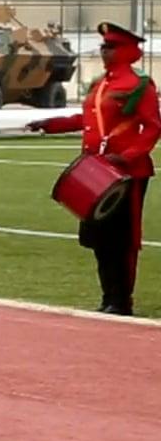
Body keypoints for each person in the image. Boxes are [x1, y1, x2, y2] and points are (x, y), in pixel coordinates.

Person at [28, 22, 161, 315]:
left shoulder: (139, 85)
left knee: (122, 240)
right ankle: (108, 296)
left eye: (110, 47)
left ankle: (121, 300)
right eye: (103, 47)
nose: (104, 52)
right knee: (99, 239)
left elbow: (152, 128)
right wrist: (50, 125)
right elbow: (85, 119)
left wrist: (127, 156)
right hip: (97, 172)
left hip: (127, 174)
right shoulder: (102, 84)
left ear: (126, 51)